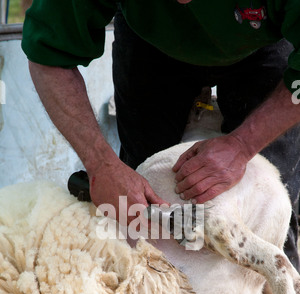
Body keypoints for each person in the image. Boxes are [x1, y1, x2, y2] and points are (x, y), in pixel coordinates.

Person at [22, 0, 300, 269]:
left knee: (272, 201)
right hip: (151, 43)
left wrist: (243, 144)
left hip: (263, 43)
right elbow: (49, 56)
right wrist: (100, 165)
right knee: (137, 197)